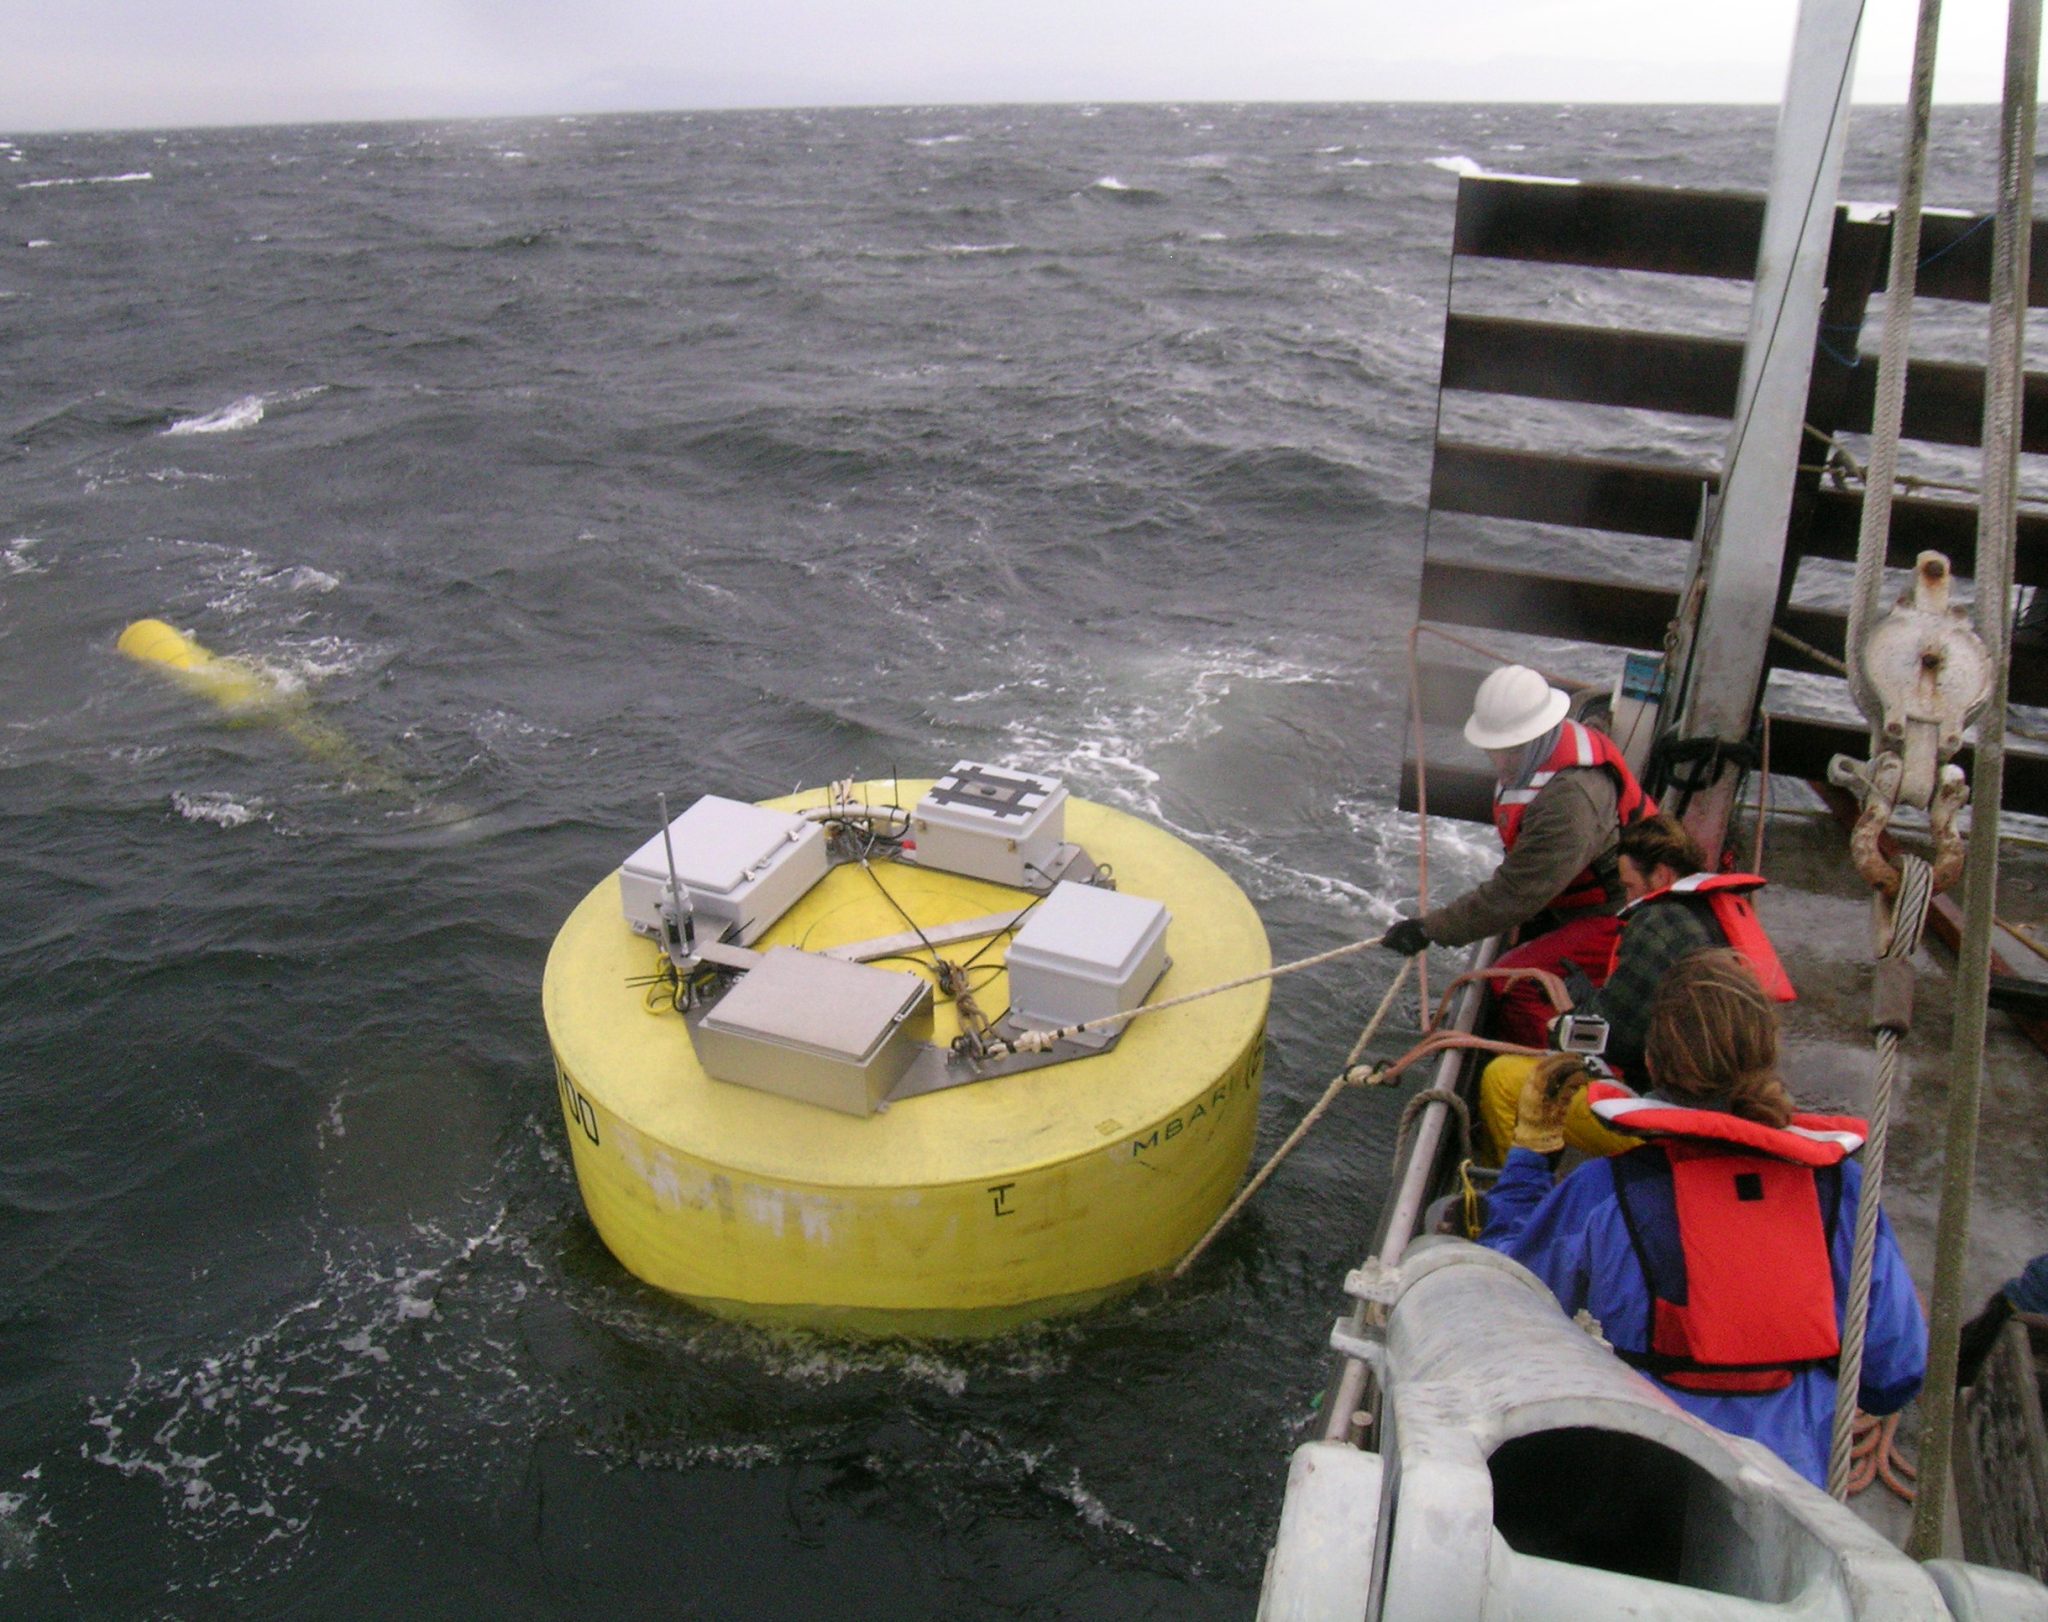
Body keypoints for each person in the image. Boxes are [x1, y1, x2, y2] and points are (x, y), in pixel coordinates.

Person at [1479, 950, 1927, 1489]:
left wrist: (1530, 1155)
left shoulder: (1603, 1192)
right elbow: (1894, 1374)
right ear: (1766, 1054)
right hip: (1794, 1490)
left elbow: (1506, 1301)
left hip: (1634, 1476)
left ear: (1655, 1060)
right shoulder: (1845, 1193)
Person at [1475, 812, 1795, 1163]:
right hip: (1731, 1109)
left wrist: (1565, 1023)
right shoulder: (1710, 912)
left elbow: (1614, 1041)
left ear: (1660, 875)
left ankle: (1510, 1199)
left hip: (1671, 1127)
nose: (1625, 896)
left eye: (1629, 886)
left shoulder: (1658, 921)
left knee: (1502, 1080)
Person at [1383, 664, 1654, 1049]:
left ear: (1540, 734)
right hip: (1574, 893)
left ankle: (1546, 1068)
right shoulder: (1548, 754)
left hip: (1622, 914)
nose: (1502, 762)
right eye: (1495, 749)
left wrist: (1430, 929)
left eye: (1512, 749)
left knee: (1513, 982)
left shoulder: (1568, 802)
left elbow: (1515, 893)